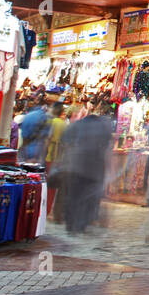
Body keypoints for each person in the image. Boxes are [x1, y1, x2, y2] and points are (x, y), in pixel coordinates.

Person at [59, 104, 114, 234]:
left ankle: (70, 223)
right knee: (88, 198)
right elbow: (107, 147)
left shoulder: (77, 125)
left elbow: (65, 141)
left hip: (76, 166)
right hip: (94, 169)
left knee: (73, 195)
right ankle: (81, 224)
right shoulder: (103, 128)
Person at [18, 97, 50, 164]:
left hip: (26, 151)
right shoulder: (44, 117)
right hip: (38, 152)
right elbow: (46, 139)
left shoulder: (28, 116)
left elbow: (24, 137)